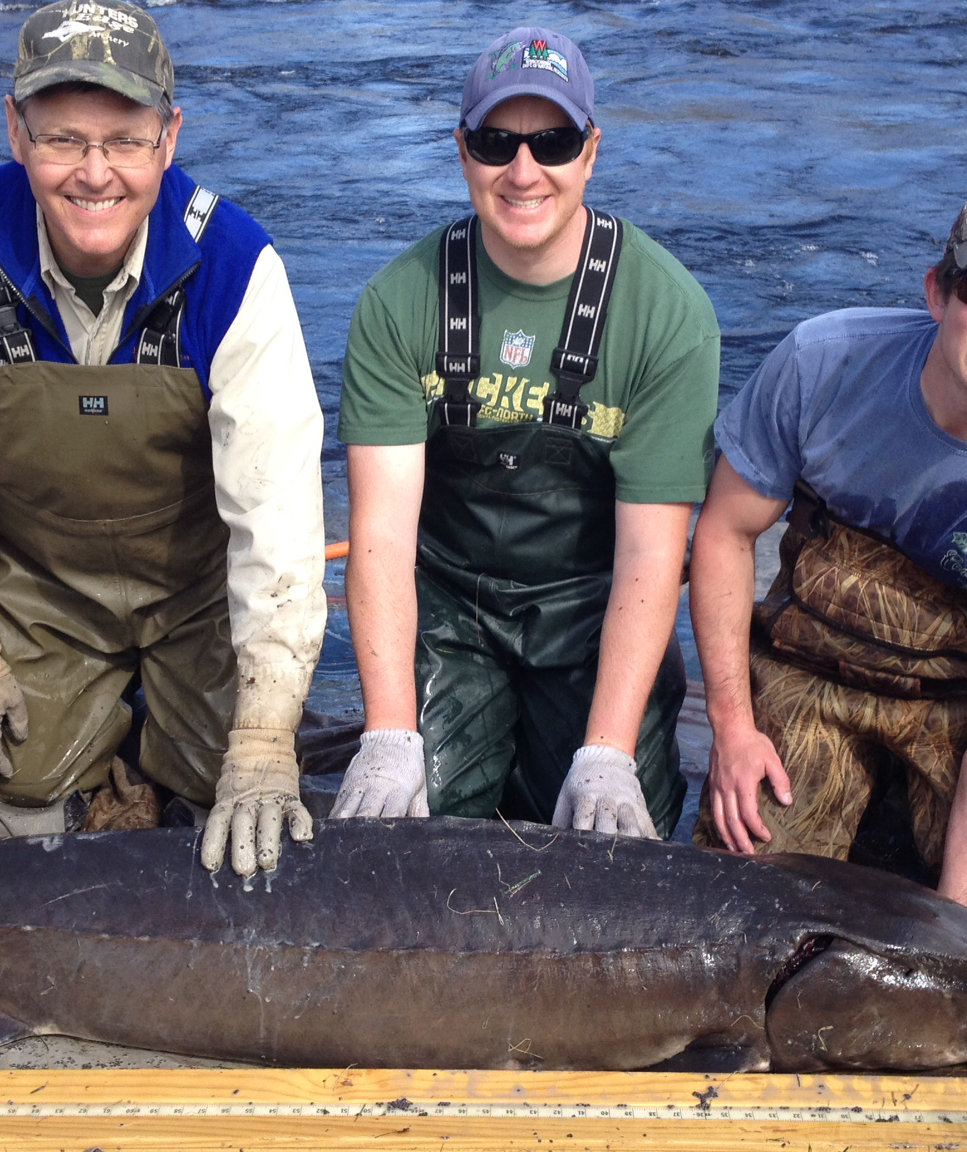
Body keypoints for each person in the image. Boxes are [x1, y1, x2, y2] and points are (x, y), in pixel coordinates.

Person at [0, 0, 325, 874]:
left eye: (125, 140)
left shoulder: (236, 266)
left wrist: (267, 735)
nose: (94, 173)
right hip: (40, 587)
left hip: (196, 593)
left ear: (169, 137)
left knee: (229, 781)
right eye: (62, 139)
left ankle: (174, 727)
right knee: (20, 780)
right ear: (14, 129)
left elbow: (277, 523)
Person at [690, 170, 967, 974]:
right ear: (938, 291)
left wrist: (948, 944)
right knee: (741, 912)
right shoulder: (822, 366)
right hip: (806, 676)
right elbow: (724, 532)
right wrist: (731, 727)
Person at [333, 27, 719, 839]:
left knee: (611, 842)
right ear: (462, 149)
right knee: (399, 831)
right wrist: (389, 733)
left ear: (591, 152)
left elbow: (653, 556)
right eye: (496, 141)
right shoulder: (398, 301)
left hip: (590, 609)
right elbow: (378, 538)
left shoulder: (668, 312)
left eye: (552, 141)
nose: (523, 170)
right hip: (446, 610)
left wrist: (607, 750)